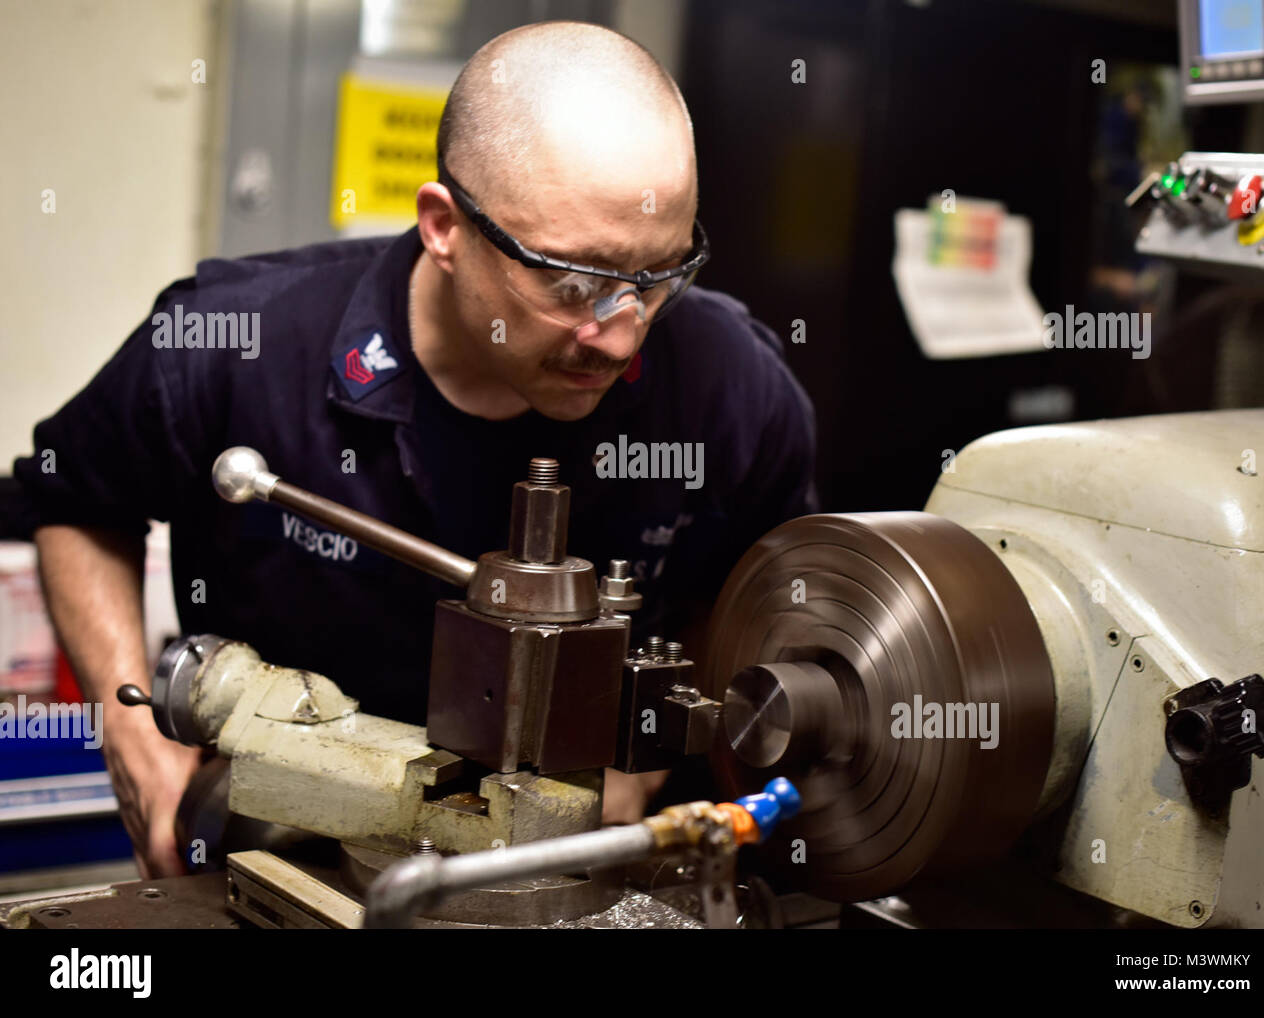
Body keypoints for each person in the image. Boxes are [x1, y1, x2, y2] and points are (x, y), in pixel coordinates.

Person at [11, 21, 817, 879]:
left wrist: (644, 753)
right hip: (275, 855)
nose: (622, 338)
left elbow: (763, 584)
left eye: (659, 276)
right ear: (444, 225)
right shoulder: (232, 344)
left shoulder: (732, 386)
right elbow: (74, 501)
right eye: (572, 283)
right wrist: (131, 734)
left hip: (569, 872)